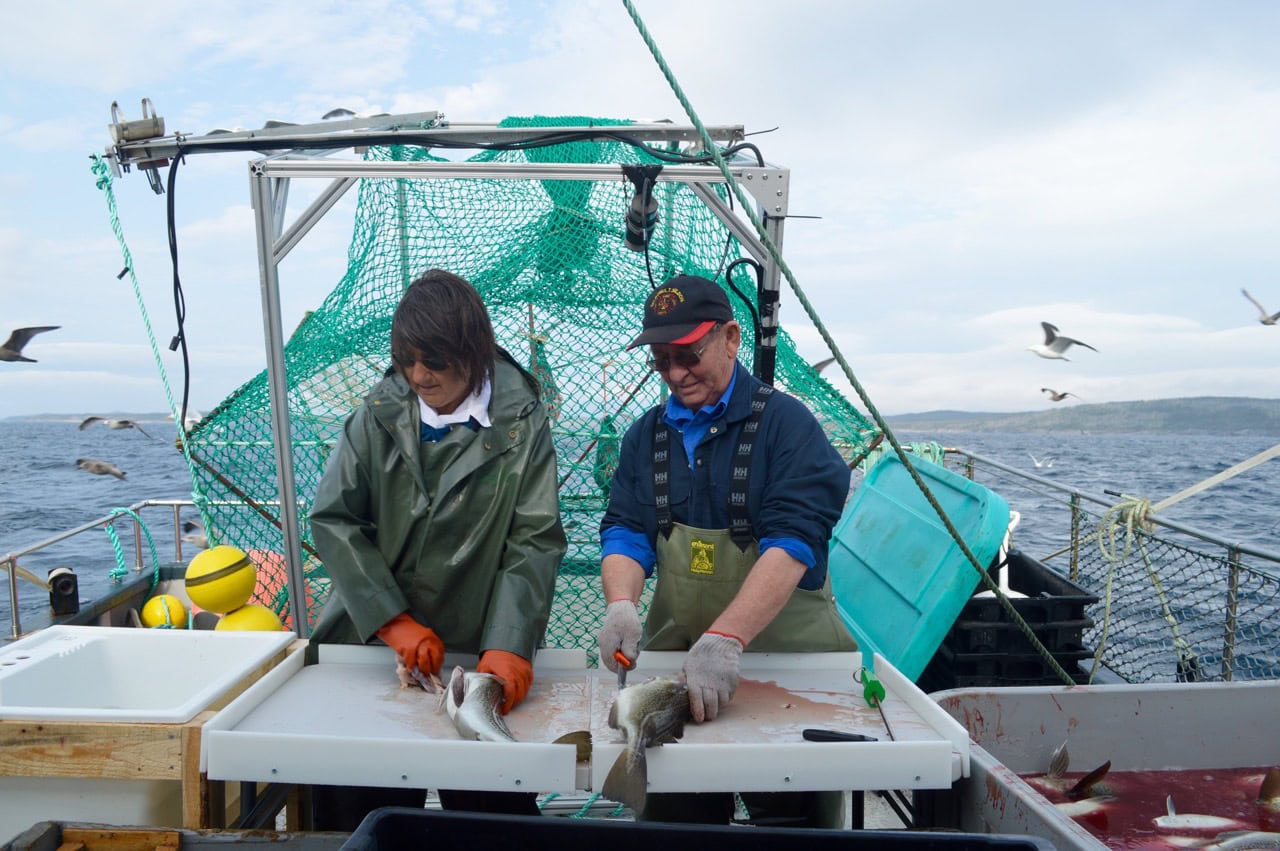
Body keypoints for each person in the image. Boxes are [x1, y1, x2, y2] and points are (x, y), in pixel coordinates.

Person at [309, 268, 566, 829]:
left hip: (477, 654)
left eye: (436, 362)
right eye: (407, 360)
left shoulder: (524, 424)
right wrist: (391, 621)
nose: (419, 375)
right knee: (351, 817)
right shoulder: (372, 419)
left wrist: (510, 644)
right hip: (372, 649)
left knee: (492, 821)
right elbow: (333, 520)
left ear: (473, 352)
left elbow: (534, 536)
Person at [597, 274, 856, 827]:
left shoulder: (788, 427)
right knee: (678, 822)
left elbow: (794, 541)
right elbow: (625, 530)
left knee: (791, 820)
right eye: (662, 360)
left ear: (732, 338)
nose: (675, 374)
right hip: (682, 673)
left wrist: (726, 638)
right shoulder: (643, 437)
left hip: (788, 679)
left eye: (688, 355)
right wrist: (620, 603)